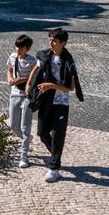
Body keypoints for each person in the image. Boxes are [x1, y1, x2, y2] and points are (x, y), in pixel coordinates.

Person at [27, 28, 84, 182]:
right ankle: (55, 156)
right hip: (46, 100)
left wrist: (52, 86)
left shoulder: (68, 61)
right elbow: (36, 68)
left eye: (54, 40)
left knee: (58, 135)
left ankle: (54, 168)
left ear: (63, 43)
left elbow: (70, 88)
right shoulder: (44, 55)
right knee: (42, 133)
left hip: (61, 103)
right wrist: (29, 85)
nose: (51, 43)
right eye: (49, 39)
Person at [6, 34, 36, 168]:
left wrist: (21, 80)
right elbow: (10, 69)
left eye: (21, 48)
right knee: (13, 125)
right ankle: (27, 139)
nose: (17, 50)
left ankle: (24, 156)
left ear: (27, 48)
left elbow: (33, 77)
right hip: (15, 94)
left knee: (25, 126)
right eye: (16, 47)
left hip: (27, 96)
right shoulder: (12, 57)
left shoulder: (32, 61)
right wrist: (10, 79)